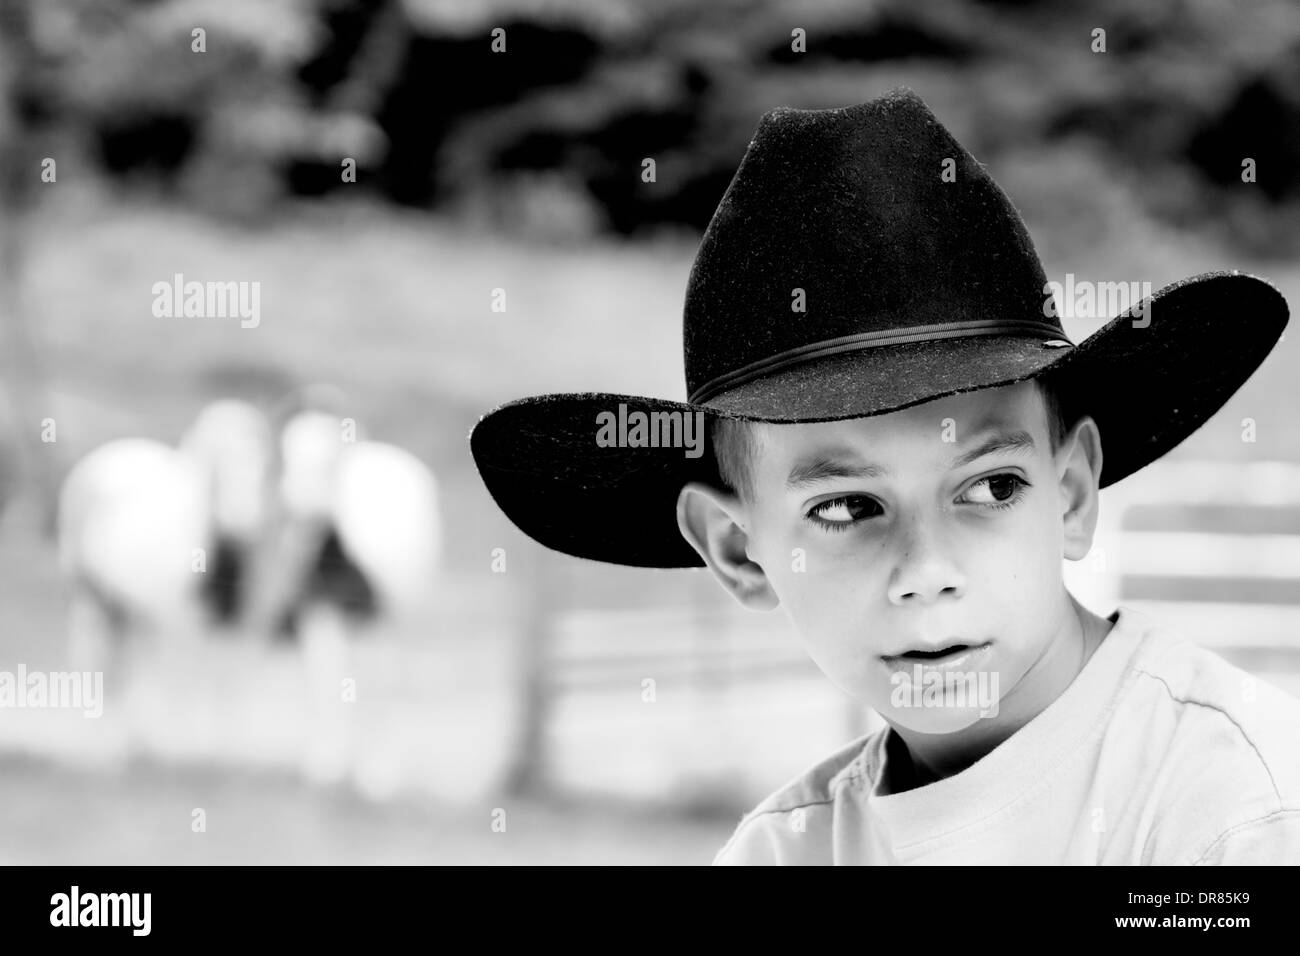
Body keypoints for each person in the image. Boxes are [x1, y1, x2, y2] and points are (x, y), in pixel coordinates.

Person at [470, 88, 1299, 864]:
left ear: (1072, 494)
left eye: (992, 487)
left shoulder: (1235, 809)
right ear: (737, 547)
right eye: (845, 506)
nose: (926, 573)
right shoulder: (782, 854)